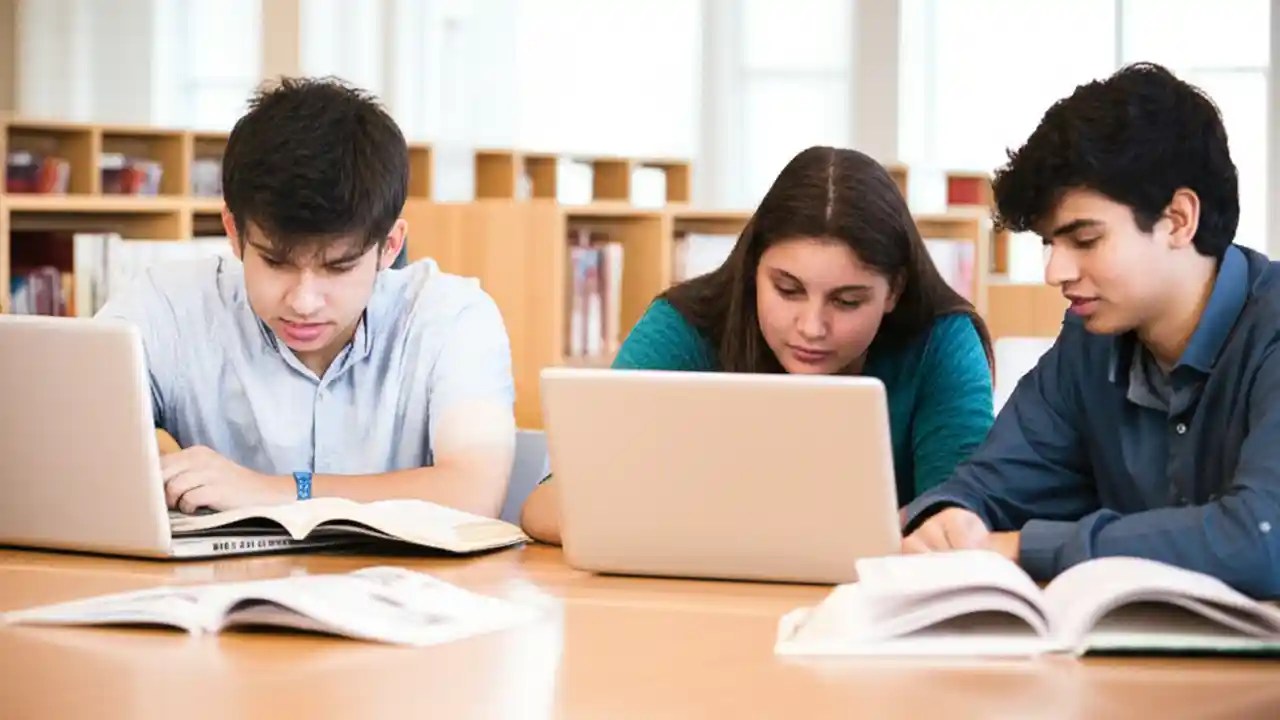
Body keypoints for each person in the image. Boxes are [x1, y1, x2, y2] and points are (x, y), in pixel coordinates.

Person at [900, 62, 1280, 598]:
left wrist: (1022, 548)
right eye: (1051, 244)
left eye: (1085, 239)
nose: (1056, 272)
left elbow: (1263, 539)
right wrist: (949, 518)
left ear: (1177, 219)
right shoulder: (1089, 342)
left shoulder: (1272, 330)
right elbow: (988, 485)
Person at [521, 145, 996, 544]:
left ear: (893, 291)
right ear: (753, 271)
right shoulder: (686, 328)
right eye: (787, 290)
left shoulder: (941, 343)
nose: (812, 326)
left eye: (847, 301)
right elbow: (548, 506)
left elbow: (960, 517)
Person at [97, 77, 516, 517]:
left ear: (389, 246)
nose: (304, 301)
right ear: (234, 233)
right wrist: (156, 454)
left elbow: (472, 493)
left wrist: (273, 491)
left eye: (338, 267)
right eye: (276, 263)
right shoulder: (166, 305)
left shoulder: (451, 319)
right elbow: (67, 422)